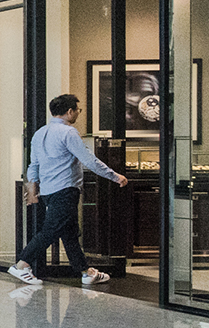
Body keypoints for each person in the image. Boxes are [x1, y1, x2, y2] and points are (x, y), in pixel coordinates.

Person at [7, 93, 128, 287]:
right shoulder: (69, 133)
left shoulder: (39, 133)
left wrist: (32, 188)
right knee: (51, 230)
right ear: (70, 111)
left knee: (70, 232)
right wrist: (115, 176)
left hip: (48, 191)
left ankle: (86, 272)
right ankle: (22, 264)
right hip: (66, 189)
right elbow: (89, 160)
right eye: (77, 110)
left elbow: (33, 165)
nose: (78, 114)